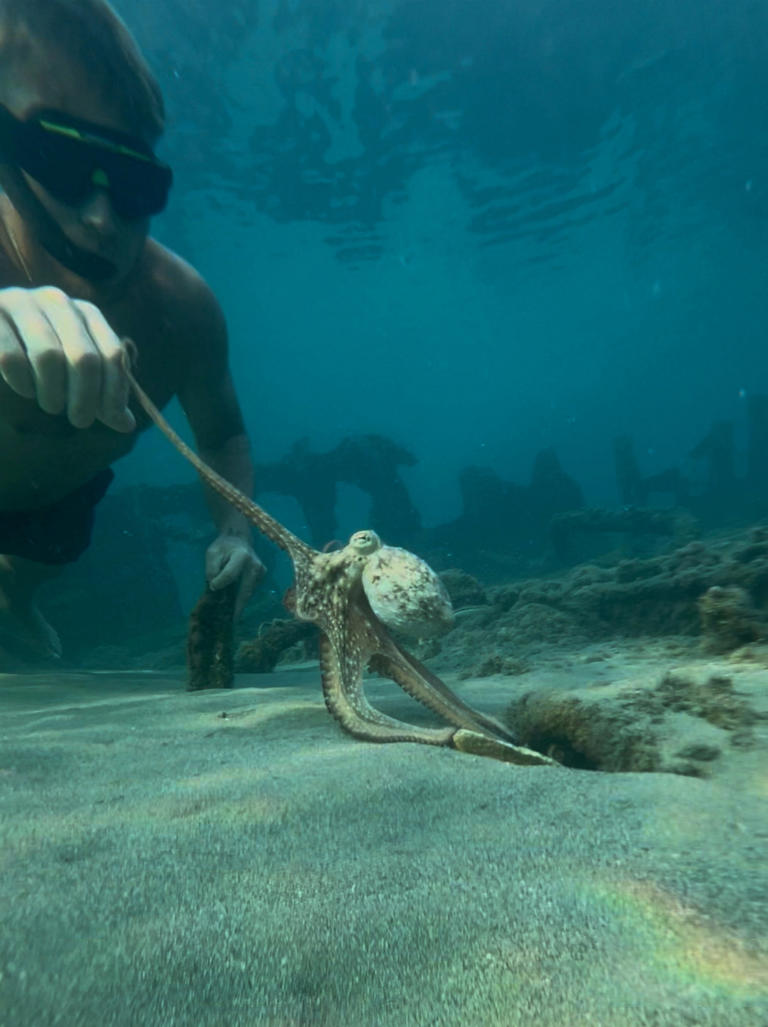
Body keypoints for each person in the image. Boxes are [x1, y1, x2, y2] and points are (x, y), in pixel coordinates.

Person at [0, 0, 264, 658]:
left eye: (134, 184)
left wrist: (237, 532)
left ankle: (18, 599)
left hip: (61, 512)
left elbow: (224, 431)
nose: (101, 220)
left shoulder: (184, 309)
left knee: (42, 557)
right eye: (60, 161)